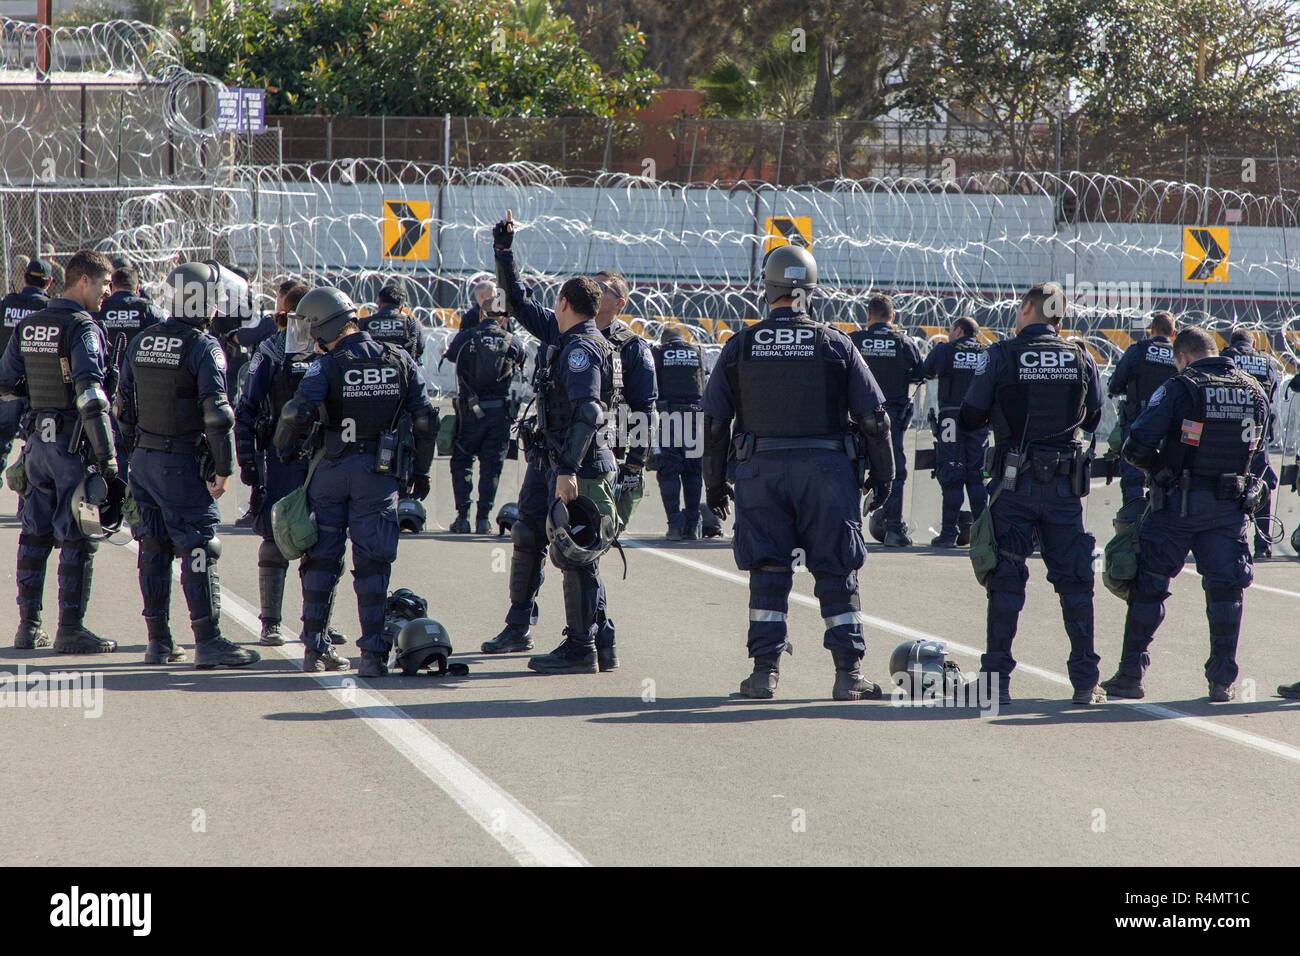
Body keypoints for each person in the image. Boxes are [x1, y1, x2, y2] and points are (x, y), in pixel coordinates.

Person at [703, 244, 895, 701]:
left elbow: (712, 422)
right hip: (826, 471)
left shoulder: (741, 345)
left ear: (767, 288)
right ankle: (848, 675)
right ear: (811, 290)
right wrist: (884, 476)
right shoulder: (836, 343)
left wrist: (713, 484)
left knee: (768, 567)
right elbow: (875, 418)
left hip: (761, 472)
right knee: (835, 567)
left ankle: (763, 674)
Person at [481, 210, 626, 671]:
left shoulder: (582, 347)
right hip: (548, 461)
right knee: (529, 534)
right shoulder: (564, 332)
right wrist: (504, 250)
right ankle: (520, 624)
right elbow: (517, 303)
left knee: (575, 550)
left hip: (575, 466)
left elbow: (589, 412)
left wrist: (567, 471)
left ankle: (584, 646)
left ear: (564, 302)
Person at [273, 287, 436, 675]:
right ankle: (374, 656)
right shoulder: (399, 358)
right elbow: (426, 418)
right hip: (379, 474)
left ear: (322, 327)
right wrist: (423, 471)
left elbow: (297, 411)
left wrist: (284, 451)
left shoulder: (325, 365)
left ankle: (315, 649)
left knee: (322, 559)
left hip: (330, 468)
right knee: (373, 562)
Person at [1102, 327, 1269, 703]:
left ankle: (1130, 675)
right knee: (1227, 594)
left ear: (1184, 357)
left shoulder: (1181, 386)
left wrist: (1162, 471)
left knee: (1149, 588)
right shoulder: (1253, 390)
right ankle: (1222, 681)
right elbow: (1259, 456)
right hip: (1229, 510)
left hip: (1177, 505)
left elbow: (1136, 444)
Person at [960, 282, 1105, 706]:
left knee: (1005, 580)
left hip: (1013, 483)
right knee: (1075, 582)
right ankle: (1084, 682)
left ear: (1026, 309)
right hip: (1063, 487)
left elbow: (970, 415)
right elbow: (1094, 418)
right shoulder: (1081, 356)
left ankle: (995, 684)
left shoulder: (1001, 355)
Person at [117, 262, 261, 668]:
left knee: (153, 547)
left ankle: (158, 641)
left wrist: (134, 454)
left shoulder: (141, 341)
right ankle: (209, 640)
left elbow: (122, 406)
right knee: (199, 545)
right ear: (205, 303)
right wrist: (224, 467)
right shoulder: (203, 346)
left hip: (144, 460)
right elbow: (218, 413)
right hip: (181, 462)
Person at [0, 251, 117, 652]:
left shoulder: (29, 325)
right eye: (103, 284)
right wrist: (108, 459)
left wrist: (35, 397)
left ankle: (28, 627)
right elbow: (90, 396)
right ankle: (70, 629)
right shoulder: (82, 328)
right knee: (80, 536)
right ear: (82, 281)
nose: (107, 292)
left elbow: (4, 382)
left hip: (37, 446)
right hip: (73, 447)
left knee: (34, 534)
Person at [234, 281, 347, 647]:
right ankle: (270, 622)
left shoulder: (327, 352)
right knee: (275, 536)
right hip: (281, 458)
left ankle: (318, 624)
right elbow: (247, 409)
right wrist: (248, 462)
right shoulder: (269, 351)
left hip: (321, 457)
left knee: (324, 540)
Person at [444, 287, 524, 533]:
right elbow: (521, 362)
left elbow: (450, 358)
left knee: (462, 462)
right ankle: (483, 519)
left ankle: (462, 517)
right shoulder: (513, 341)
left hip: (470, 411)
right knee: (492, 466)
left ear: (481, 314)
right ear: (502, 318)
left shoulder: (467, 336)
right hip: (500, 414)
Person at [849, 294, 924, 546]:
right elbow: (919, 373)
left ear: (868, 315)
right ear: (891, 317)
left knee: (851, 467)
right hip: (892, 417)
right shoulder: (904, 342)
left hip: (858, 415)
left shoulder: (855, 340)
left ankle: (850, 526)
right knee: (894, 471)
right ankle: (893, 529)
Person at [921, 315, 990, 547]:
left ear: (959, 331)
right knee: (976, 476)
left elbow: (926, 371)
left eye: (951, 330)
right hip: (979, 418)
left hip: (951, 416)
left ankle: (949, 534)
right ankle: (982, 538)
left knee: (951, 474)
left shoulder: (945, 350)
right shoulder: (986, 353)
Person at [94, 264, 166, 481]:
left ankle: (116, 498)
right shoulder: (149, 310)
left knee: (112, 444)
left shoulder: (100, 308)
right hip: (142, 388)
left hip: (105, 386)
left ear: (112, 286)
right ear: (137, 288)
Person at [1107, 311, 1178, 526]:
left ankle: (1133, 525)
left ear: (1152, 330)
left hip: (1138, 425)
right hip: (1169, 428)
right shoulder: (1180, 355)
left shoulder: (1138, 350)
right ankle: (1161, 524)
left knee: (1132, 478)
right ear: (1173, 332)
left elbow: (1115, 384)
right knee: (1169, 478)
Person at [1221, 329, 1281, 558]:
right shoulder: (1266, 362)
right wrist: (1269, 436)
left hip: (1228, 435)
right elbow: (1272, 403)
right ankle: (1263, 544)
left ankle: (1230, 540)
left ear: (1231, 342)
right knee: (1261, 488)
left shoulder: (1226, 358)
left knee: (1226, 486)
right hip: (1257, 437)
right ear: (1253, 343)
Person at [653, 324, 708, 539]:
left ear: (664, 340)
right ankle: (693, 525)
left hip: (668, 417)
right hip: (696, 418)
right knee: (693, 472)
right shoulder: (697, 353)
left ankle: (674, 525)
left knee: (668, 473)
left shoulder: (658, 353)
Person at [0, 256, 53, 471]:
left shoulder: (6, 304)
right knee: (38, 439)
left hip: (7, 382)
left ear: (24, 277)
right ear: (49, 282)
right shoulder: (48, 309)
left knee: (2, 436)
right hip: (37, 386)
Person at [359, 284, 425, 363]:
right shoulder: (412, 323)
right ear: (401, 307)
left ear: (379, 303)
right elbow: (419, 348)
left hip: (369, 370)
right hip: (402, 370)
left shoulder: (363, 323)